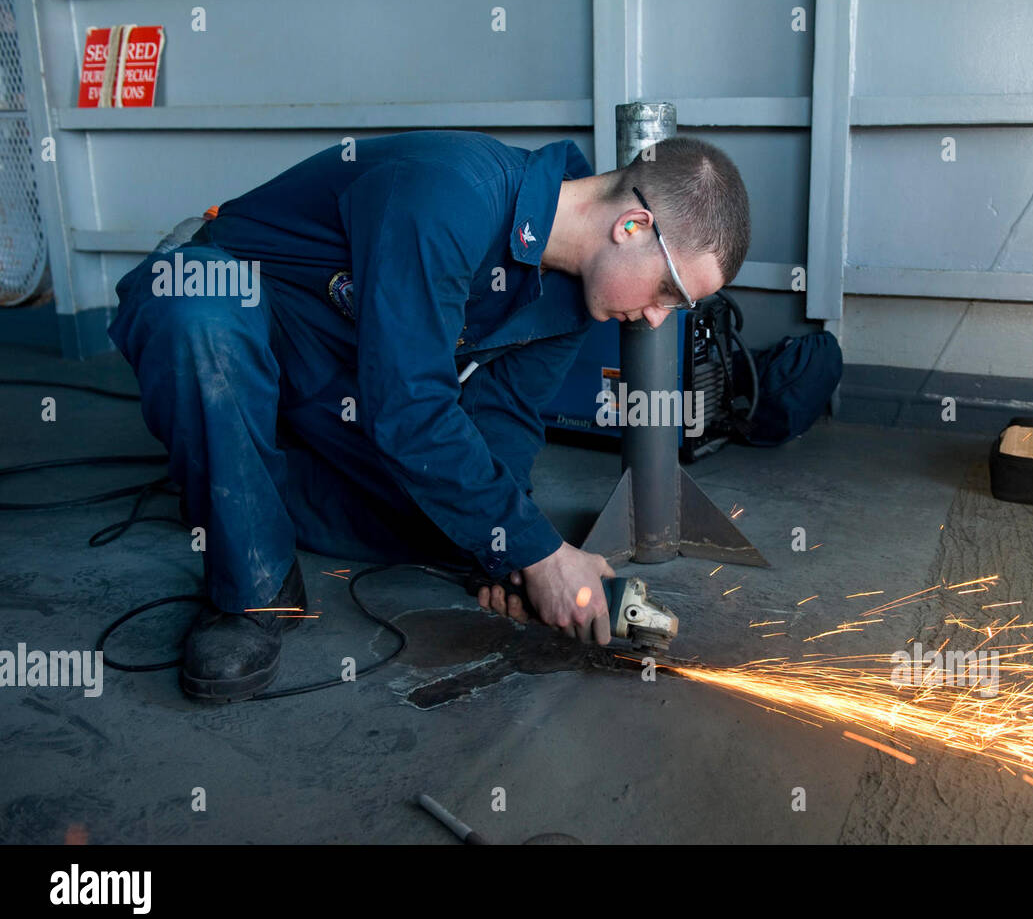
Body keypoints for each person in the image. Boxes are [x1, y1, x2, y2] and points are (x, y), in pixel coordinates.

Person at [108, 129, 750, 702]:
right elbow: (410, 403)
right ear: (632, 226)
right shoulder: (451, 191)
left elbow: (505, 417)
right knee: (196, 310)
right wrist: (543, 554)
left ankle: (236, 483)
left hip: (341, 386)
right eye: (668, 290)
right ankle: (252, 582)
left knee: (456, 530)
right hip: (239, 318)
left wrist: (507, 556)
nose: (659, 317)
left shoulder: (571, 298)